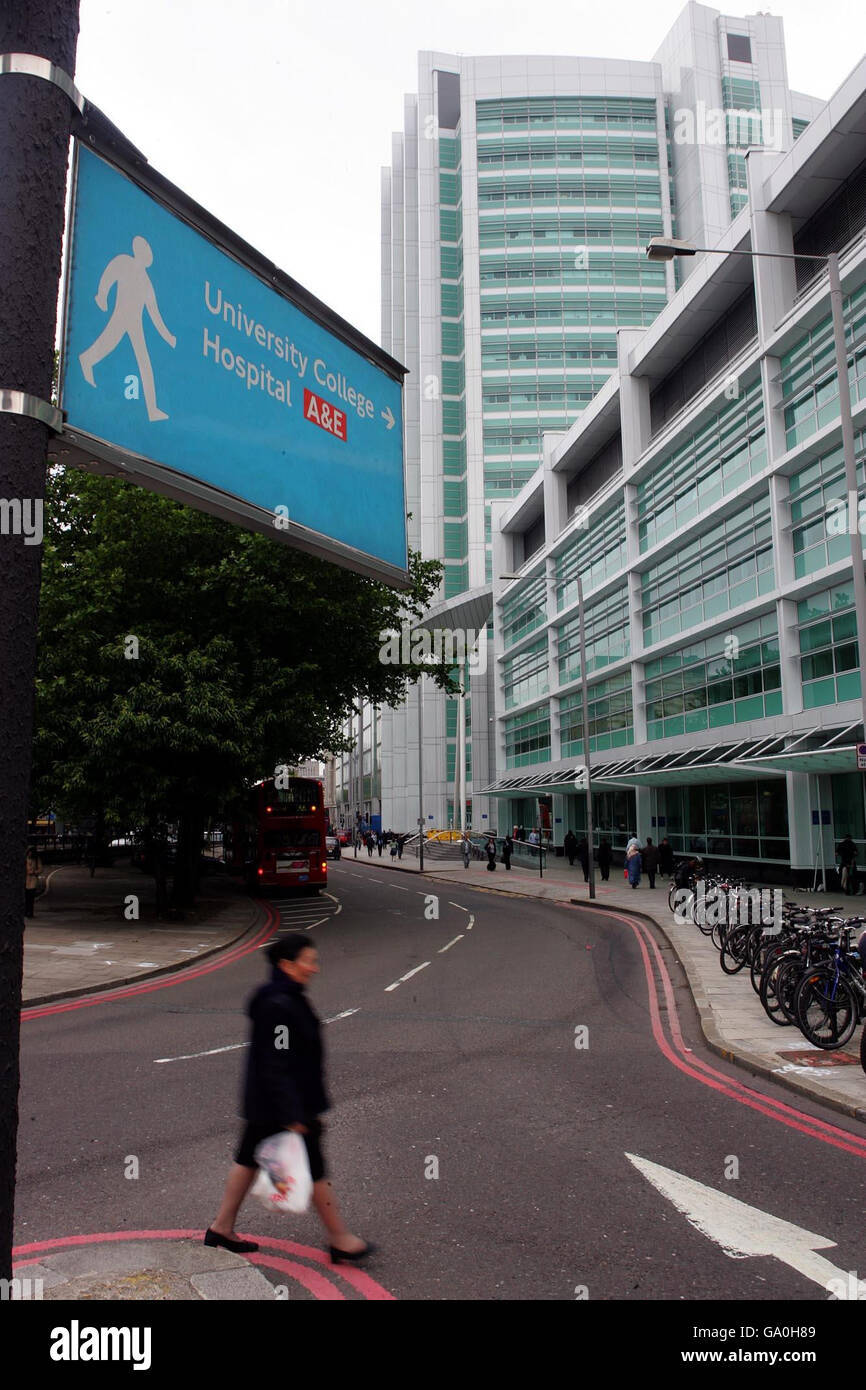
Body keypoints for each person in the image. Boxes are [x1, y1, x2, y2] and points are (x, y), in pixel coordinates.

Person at [206, 934, 374, 1264]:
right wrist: (294, 1115)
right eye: (309, 961)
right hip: (285, 1106)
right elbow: (275, 1063)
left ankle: (221, 1228)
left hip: (268, 1104)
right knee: (314, 1170)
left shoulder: (283, 997)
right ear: (287, 965)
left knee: (247, 1160)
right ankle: (340, 1239)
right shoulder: (279, 1006)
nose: (315, 968)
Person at [24, 845, 43, 919]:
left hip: (33, 880)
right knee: (26, 897)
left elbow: (41, 869)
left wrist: (35, 872)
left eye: (31, 852)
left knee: (31, 898)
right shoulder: (25, 859)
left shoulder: (37, 859)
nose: (30, 854)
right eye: (29, 852)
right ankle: (26, 912)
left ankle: (30, 912)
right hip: (26, 880)